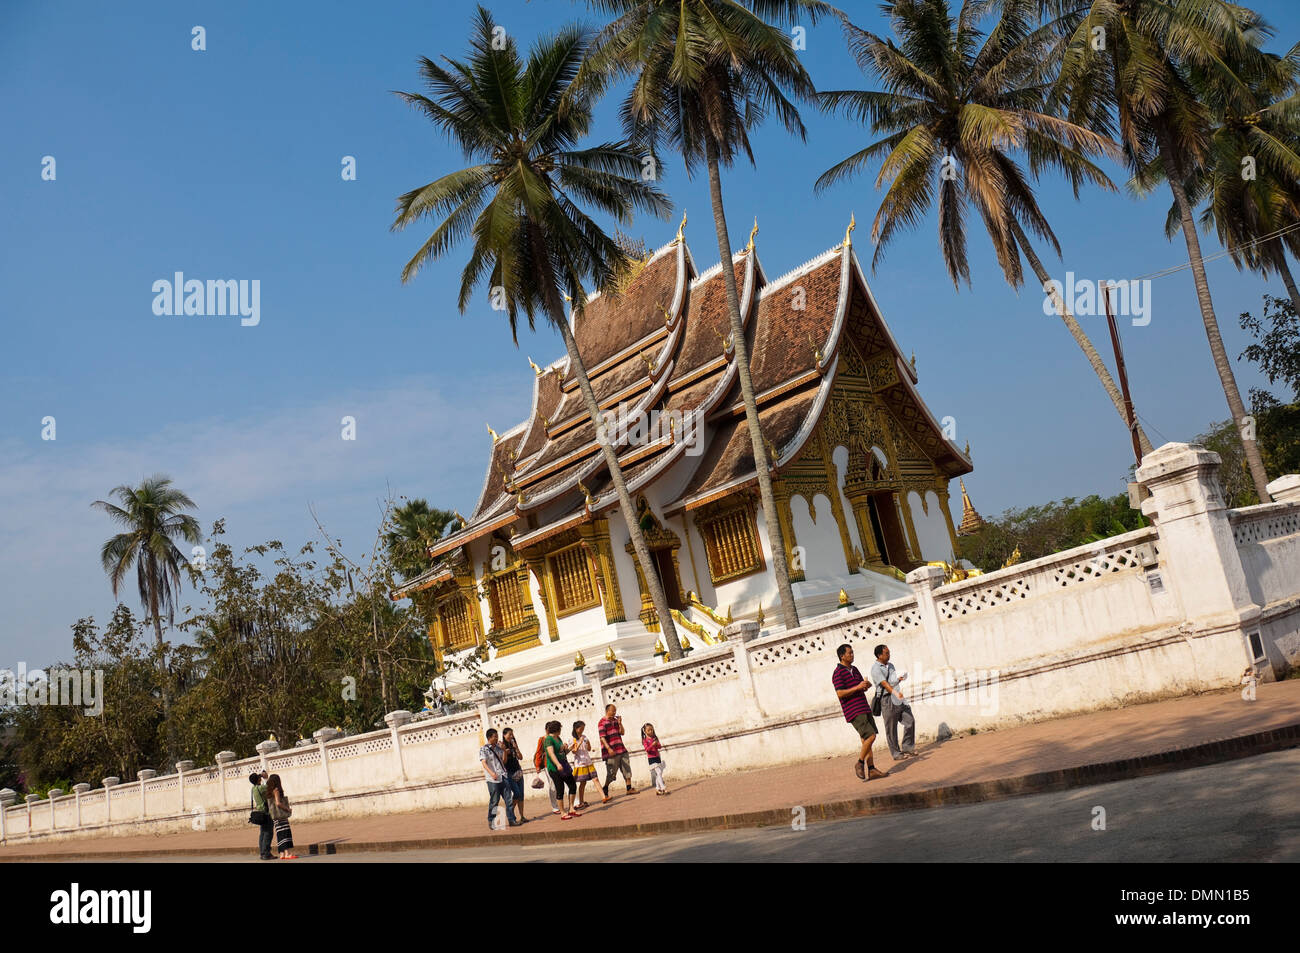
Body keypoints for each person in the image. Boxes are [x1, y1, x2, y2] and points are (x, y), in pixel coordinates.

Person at [832, 643, 888, 781]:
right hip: (854, 710)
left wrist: (864, 686)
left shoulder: (854, 669)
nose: (852, 655)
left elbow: (858, 687)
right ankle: (860, 762)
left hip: (863, 706)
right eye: (849, 653)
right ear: (842, 656)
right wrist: (857, 687)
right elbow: (840, 693)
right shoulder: (838, 673)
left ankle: (871, 769)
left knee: (865, 739)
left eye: (852, 652)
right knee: (871, 736)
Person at [871, 644, 916, 761]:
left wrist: (899, 679)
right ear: (879, 655)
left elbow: (892, 681)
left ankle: (907, 747)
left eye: (889, 652)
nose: (889, 655)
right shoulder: (875, 669)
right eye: (886, 653)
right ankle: (896, 753)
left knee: (909, 720)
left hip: (897, 696)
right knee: (891, 728)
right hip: (887, 699)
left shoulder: (890, 665)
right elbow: (885, 684)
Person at [480, 728, 520, 831]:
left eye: (497, 736)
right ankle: (491, 820)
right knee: (494, 801)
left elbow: (504, 761)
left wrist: (503, 751)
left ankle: (511, 819)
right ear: (489, 737)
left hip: (503, 776)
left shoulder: (498, 747)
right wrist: (491, 773)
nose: (497, 738)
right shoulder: (484, 749)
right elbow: (484, 763)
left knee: (509, 799)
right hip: (492, 779)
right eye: (495, 736)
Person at [598, 704, 636, 798]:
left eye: (615, 711)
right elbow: (602, 738)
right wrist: (609, 749)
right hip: (611, 752)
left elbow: (622, 732)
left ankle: (629, 788)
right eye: (613, 711)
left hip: (621, 749)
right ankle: (605, 788)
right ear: (608, 711)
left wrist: (620, 723)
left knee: (627, 769)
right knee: (611, 773)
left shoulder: (615, 721)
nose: (614, 713)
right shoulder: (602, 722)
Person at [544, 719, 579, 819]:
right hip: (554, 769)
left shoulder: (558, 738)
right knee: (560, 789)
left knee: (572, 785)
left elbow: (561, 753)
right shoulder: (548, 740)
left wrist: (569, 748)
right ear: (556, 729)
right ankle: (563, 812)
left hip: (564, 766)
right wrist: (557, 764)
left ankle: (571, 808)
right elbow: (551, 753)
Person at [265, 773, 298, 859]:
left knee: (280, 834)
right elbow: (278, 803)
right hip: (281, 816)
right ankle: (287, 853)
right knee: (285, 833)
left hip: (276, 817)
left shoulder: (269, 791)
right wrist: (287, 809)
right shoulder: (276, 790)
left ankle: (282, 854)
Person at [501, 727, 528, 822]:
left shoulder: (513, 744)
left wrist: (516, 748)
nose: (511, 736)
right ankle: (510, 813)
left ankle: (522, 816)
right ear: (504, 735)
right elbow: (503, 762)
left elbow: (520, 757)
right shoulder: (502, 746)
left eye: (512, 734)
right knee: (517, 793)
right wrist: (505, 751)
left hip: (518, 771)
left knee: (521, 795)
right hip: (509, 773)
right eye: (509, 734)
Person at [570, 721, 599, 810]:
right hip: (579, 764)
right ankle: (575, 803)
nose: (582, 730)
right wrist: (580, 742)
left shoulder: (584, 737)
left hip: (587, 761)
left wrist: (588, 744)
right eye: (581, 729)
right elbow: (574, 751)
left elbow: (589, 749)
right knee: (575, 784)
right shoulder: (572, 739)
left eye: (583, 729)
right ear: (576, 729)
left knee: (584, 783)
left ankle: (581, 802)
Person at [249, 771, 274, 860]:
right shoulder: (260, 788)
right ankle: (266, 853)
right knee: (268, 833)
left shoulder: (254, 789)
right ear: (258, 779)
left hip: (260, 813)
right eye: (259, 777)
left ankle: (262, 852)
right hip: (266, 813)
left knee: (262, 834)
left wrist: (260, 778)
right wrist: (266, 778)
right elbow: (270, 787)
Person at [642, 723, 669, 795]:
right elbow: (647, 749)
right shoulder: (645, 740)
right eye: (648, 730)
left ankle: (657, 788)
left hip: (657, 757)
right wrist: (652, 745)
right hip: (651, 758)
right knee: (659, 772)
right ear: (645, 731)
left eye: (652, 730)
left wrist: (657, 744)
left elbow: (659, 747)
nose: (651, 731)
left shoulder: (655, 738)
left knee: (658, 774)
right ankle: (663, 788)